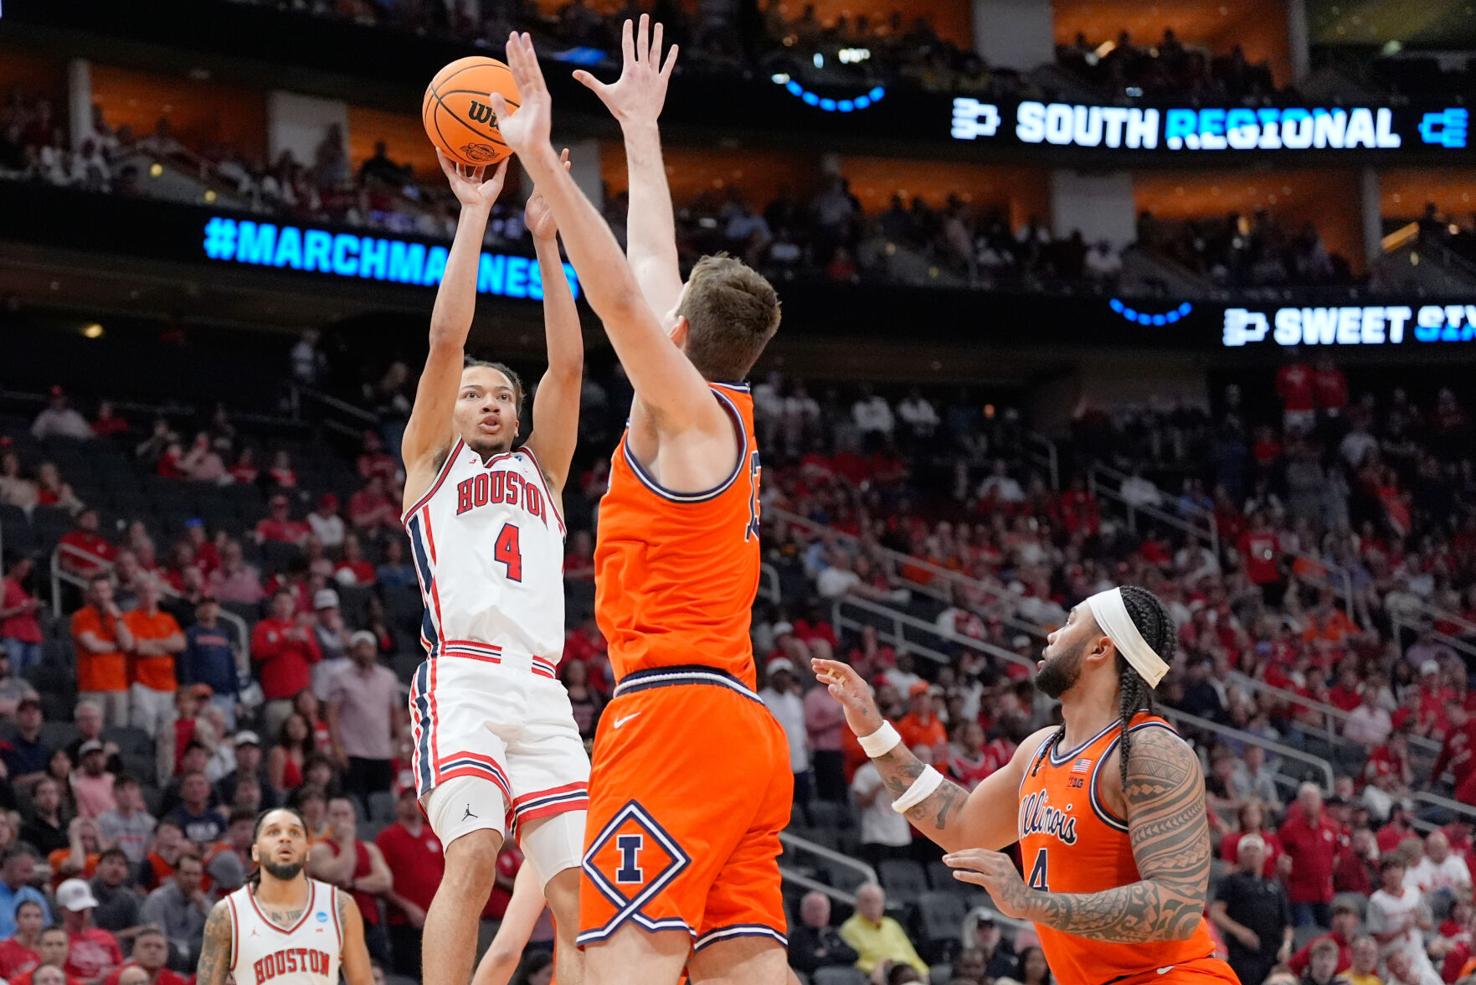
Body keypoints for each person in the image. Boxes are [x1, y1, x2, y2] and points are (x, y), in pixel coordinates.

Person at [495, 22, 790, 982]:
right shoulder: (720, 408)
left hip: (672, 719)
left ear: (679, 335)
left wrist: (542, 160)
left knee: (618, 969)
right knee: (749, 970)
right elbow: (654, 267)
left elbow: (623, 299)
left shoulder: (686, 414)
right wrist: (639, 129)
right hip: (740, 729)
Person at [816, 585, 1239, 985]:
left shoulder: (1151, 751)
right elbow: (960, 826)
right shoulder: (1039, 749)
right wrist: (873, 730)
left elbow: (1176, 907)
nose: (1051, 635)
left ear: (1100, 649)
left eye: (1069, 623)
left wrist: (1030, 901)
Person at [399, 107, 587, 985]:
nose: (487, 402)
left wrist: (548, 243)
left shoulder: (543, 472)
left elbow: (568, 368)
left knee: (581, 895)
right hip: (464, 678)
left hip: (544, 690)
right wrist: (475, 214)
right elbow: (446, 339)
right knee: (473, 854)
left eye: (500, 396)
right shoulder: (429, 463)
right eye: (473, 393)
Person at [195, 807, 373, 985]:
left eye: (294, 833)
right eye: (272, 833)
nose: (284, 840)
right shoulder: (226, 913)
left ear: (307, 850)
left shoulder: (339, 905)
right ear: (255, 851)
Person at [307, 798, 391, 963]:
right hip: (332, 924)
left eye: (345, 814)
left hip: (368, 923)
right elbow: (342, 874)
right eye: (335, 815)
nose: (341, 819)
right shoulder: (319, 850)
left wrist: (354, 884)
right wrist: (347, 841)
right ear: (327, 818)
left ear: (354, 816)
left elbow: (384, 881)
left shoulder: (369, 849)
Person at [374, 788, 444, 980]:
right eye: (405, 799)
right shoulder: (387, 837)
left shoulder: (434, 836)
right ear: (397, 806)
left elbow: (446, 876)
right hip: (403, 922)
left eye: (415, 798)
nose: (410, 803)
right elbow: (382, 883)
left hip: (436, 920)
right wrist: (407, 907)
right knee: (409, 976)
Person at [326, 633, 401, 803]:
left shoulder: (388, 678)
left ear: (375, 650)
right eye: (360, 647)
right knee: (355, 801)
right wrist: (337, 747)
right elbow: (332, 714)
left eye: (368, 647)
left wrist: (400, 742)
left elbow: (396, 712)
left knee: (381, 801)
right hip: (352, 751)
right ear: (352, 651)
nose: (364, 652)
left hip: (381, 750)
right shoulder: (340, 678)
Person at [1211, 834, 1293, 985]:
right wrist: (1240, 931)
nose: (1251, 853)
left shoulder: (1274, 886)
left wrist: (1286, 946)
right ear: (1240, 855)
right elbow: (1216, 912)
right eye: (1247, 849)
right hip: (1242, 955)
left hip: (1272, 955)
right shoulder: (1231, 881)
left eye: (1255, 849)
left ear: (1263, 855)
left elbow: (1287, 923)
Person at [71, 575, 133, 728]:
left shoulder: (119, 616)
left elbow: (128, 644)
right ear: (90, 594)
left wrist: (117, 618)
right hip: (92, 685)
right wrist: (117, 647)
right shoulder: (81, 616)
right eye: (97, 591)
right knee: (92, 729)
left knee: (119, 730)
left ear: (111, 592)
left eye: (105, 591)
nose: (101, 595)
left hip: (118, 685)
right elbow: (93, 646)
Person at [1366, 855, 1438, 982]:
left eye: (1397, 868)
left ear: (1404, 872)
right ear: (1382, 875)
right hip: (1391, 959)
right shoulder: (1377, 900)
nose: (1393, 874)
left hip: (1416, 955)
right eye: (1388, 870)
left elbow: (1429, 924)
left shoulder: (1414, 893)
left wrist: (1416, 921)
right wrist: (1401, 930)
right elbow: (1376, 936)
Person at [1279, 783, 1341, 928]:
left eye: (1313, 798)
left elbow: (1337, 855)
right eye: (1306, 799)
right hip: (1300, 894)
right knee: (1307, 933)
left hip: (1325, 892)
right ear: (1299, 803)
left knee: (1328, 931)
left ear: (1320, 801)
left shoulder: (1332, 827)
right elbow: (1282, 860)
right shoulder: (1289, 829)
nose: (1310, 802)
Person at [837, 884, 927, 977]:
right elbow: (855, 963)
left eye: (876, 901)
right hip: (878, 975)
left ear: (883, 904)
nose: (872, 906)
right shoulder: (849, 928)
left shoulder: (892, 925)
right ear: (858, 904)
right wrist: (880, 968)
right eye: (867, 901)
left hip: (906, 972)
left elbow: (911, 955)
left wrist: (923, 972)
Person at [141, 853, 208, 970]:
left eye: (196, 874)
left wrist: (203, 909)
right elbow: (157, 936)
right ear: (175, 874)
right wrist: (185, 950)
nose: (192, 879)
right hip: (168, 957)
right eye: (187, 874)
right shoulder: (158, 899)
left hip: (195, 958)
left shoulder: (203, 902)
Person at [56, 878, 123, 985]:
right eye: (77, 911)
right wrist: (95, 981)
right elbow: (54, 979)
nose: (83, 914)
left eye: (86, 909)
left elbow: (121, 969)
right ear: (62, 910)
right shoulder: (56, 941)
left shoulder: (106, 936)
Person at [787, 891, 858, 976]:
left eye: (822, 909)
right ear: (803, 912)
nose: (819, 914)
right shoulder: (798, 937)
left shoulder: (831, 934)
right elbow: (807, 962)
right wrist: (837, 959)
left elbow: (853, 955)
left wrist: (827, 952)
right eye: (814, 909)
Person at [101, 928, 188, 985]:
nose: (153, 951)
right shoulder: (119, 978)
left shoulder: (175, 981)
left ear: (167, 953)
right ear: (134, 951)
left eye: (159, 947)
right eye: (146, 946)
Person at [0, 849, 52, 939]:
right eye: (25, 871)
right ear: (7, 866)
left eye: (31, 871)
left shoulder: (34, 896)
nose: (28, 877)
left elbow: (47, 932)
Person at [0, 898, 46, 979]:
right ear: (16, 920)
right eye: (26, 916)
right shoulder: (3, 949)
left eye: (37, 916)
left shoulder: (49, 947)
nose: (32, 921)